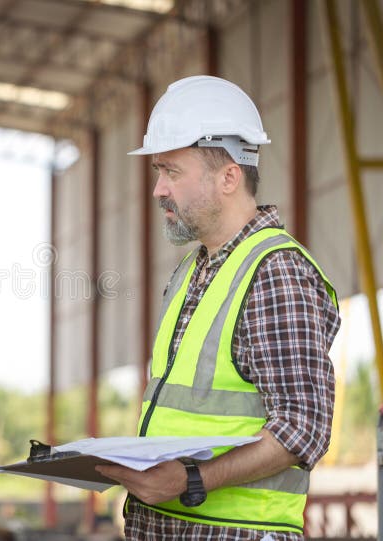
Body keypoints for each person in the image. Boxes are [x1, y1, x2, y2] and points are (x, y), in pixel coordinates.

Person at [96, 76, 340, 540]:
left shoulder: (274, 272)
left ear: (229, 176)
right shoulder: (191, 271)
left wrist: (190, 480)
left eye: (172, 172)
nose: (158, 190)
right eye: (158, 172)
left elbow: (303, 427)